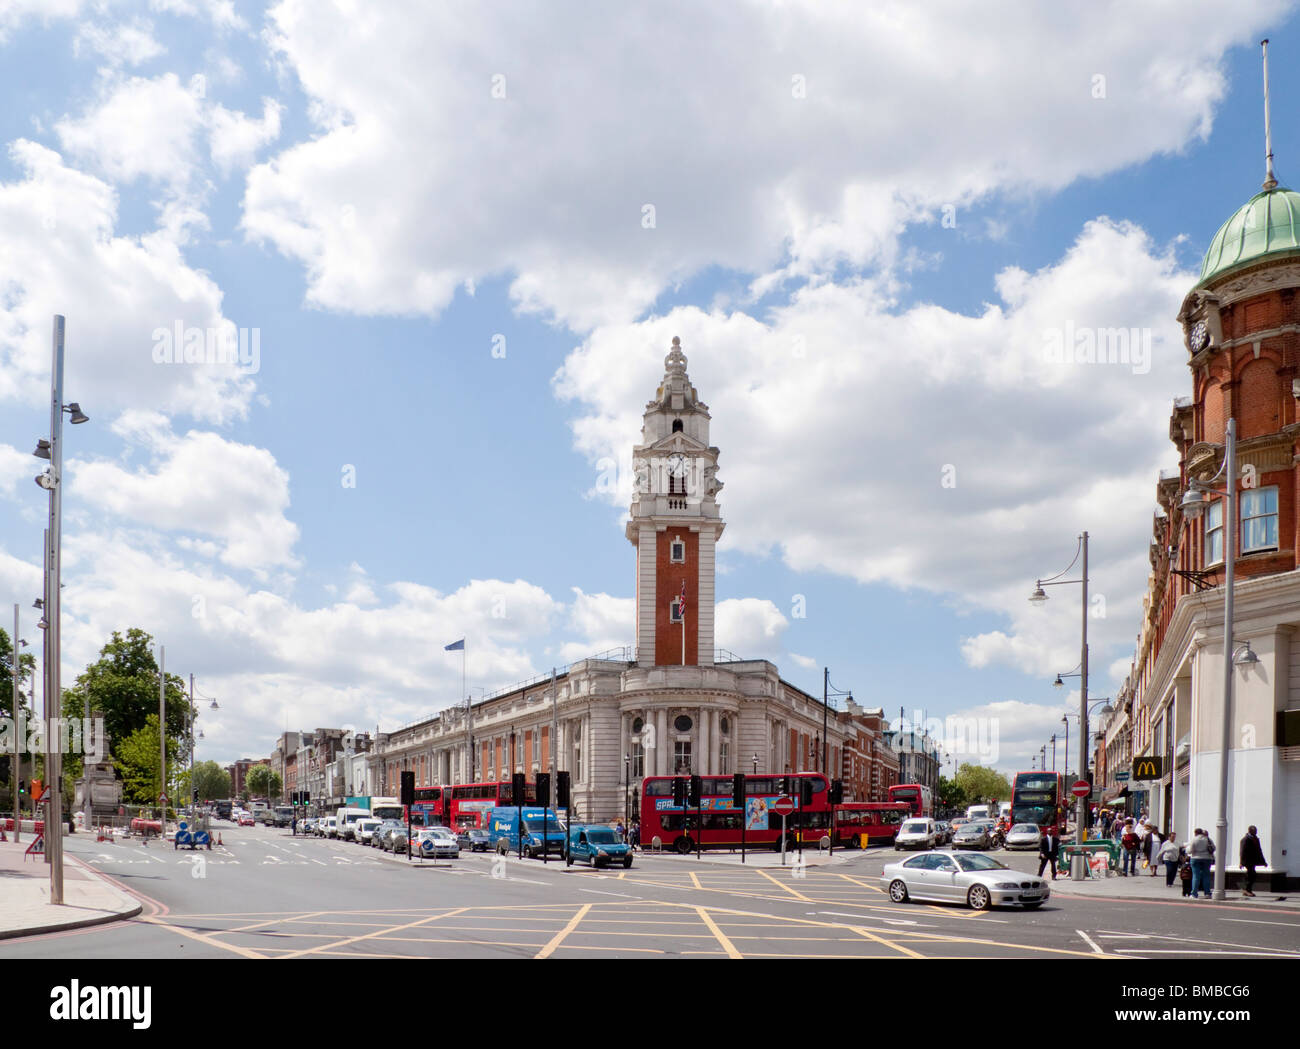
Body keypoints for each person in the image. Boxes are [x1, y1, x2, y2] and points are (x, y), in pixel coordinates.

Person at [1239, 825, 1267, 897]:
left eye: (1256, 831)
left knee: (1252, 875)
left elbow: (1259, 850)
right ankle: (1247, 890)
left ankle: (1247, 890)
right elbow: (1242, 851)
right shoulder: (1245, 839)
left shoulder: (1255, 839)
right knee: (1251, 874)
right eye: (1254, 831)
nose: (1256, 832)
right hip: (1247, 860)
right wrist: (1241, 862)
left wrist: (1264, 862)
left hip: (1253, 860)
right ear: (1250, 831)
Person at [1188, 827, 1214, 899]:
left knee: (1196, 876)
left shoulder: (1194, 839)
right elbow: (1214, 848)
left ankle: (1194, 894)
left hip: (1196, 858)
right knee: (1206, 876)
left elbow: (1190, 850)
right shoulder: (1208, 839)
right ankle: (1207, 893)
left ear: (1195, 833)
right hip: (1207, 858)